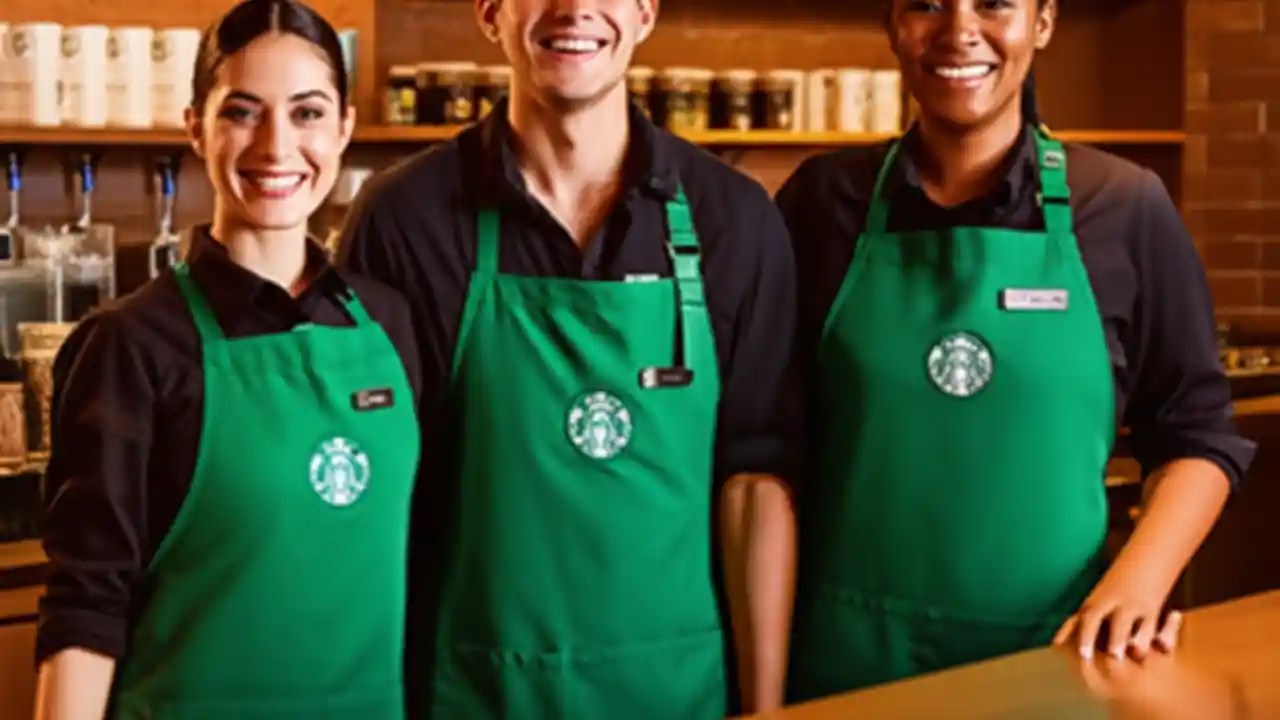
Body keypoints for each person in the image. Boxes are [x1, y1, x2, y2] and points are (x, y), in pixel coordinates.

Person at [775, 0, 1256, 703]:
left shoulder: (1125, 206)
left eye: (994, 4)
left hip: (1058, 657)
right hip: (848, 665)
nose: (958, 30)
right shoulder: (820, 203)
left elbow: (1198, 434)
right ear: (892, 25)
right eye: (926, 5)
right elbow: (764, 450)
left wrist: (1137, 585)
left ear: (1044, 21)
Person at [338, 0, 799, 716]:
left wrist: (767, 709)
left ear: (646, 10)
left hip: (678, 693)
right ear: (490, 11)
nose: (575, 8)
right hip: (475, 689)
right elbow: (378, 502)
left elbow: (753, 484)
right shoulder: (404, 220)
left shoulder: (733, 219)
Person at [32, 1, 422, 718]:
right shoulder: (131, 345)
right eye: (242, 112)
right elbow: (86, 604)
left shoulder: (391, 322)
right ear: (195, 128)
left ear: (343, 129)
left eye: (307, 113)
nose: (276, 147)